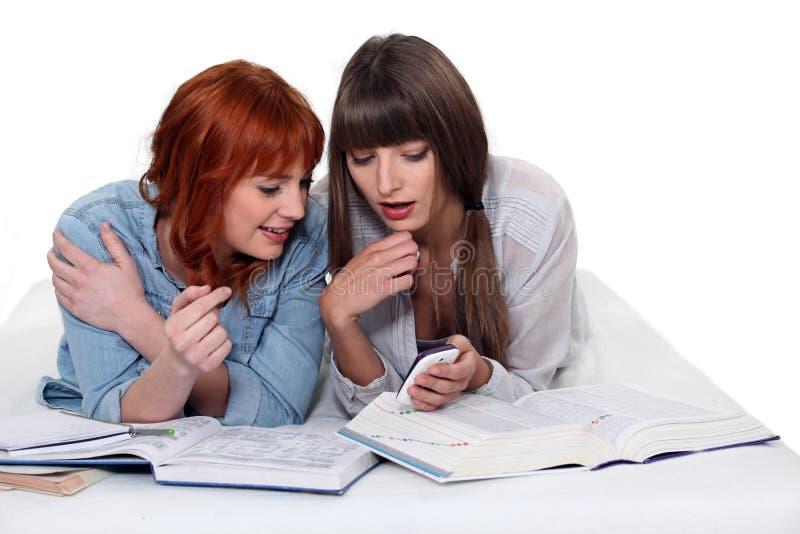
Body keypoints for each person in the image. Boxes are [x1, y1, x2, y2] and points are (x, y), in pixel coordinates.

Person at [40, 60, 328, 426]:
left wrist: (132, 316)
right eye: (270, 187)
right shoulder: (95, 232)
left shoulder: (307, 234)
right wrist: (181, 360)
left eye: (303, 181)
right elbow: (118, 411)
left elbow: (277, 408)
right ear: (201, 182)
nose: (297, 208)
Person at [313, 34, 587, 415]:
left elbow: (532, 390)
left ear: (456, 142)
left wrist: (478, 375)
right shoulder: (326, 210)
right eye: (362, 159)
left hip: (563, 345)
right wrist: (338, 319)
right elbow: (379, 412)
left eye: (412, 155)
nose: (385, 184)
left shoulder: (533, 212)